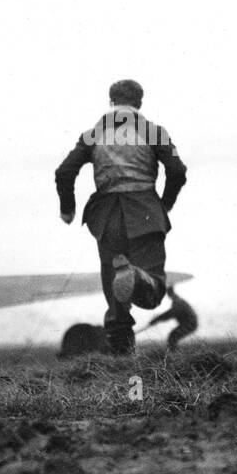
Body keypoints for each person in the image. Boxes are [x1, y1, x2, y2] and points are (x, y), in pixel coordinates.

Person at [56, 79, 188, 355]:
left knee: (115, 299)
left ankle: (121, 360)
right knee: (152, 290)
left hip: (106, 216)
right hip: (145, 212)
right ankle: (137, 276)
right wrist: (165, 204)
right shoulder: (153, 131)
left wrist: (67, 208)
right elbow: (177, 171)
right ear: (139, 103)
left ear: (111, 102)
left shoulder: (94, 133)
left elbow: (64, 172)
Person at [145, 285, 199, 351]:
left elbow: (170, 314)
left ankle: (174, 354)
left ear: (169, 292)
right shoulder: (177, 300)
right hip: (189, 323)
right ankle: (174, 352)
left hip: (190, 324)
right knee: (173, 336)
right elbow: (169, 313)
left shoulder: (177, 302)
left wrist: (156, 319)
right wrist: (156, 319)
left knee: (173, 336)